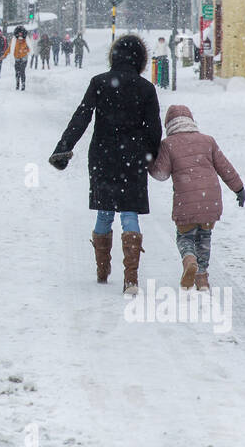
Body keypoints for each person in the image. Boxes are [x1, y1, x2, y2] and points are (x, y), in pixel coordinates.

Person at [47, 34, 161, 294]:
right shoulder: (145, 88)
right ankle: (130, 278)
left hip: (103, 155)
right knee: (130, 212)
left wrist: (63, 149)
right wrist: (151, 156)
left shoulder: (99, 82)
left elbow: (82, 117)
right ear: (141, 59)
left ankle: (102, 268)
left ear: (114, 56)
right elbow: (154, 129)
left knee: (105, 210)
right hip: (133, 157)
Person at [148, 104, 245, 291]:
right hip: (210, 199)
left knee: (185, 237)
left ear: (169, 124)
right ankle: (202, 278)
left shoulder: (168, 144)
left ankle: (189, 259)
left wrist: (149, 162)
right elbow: (225, 167)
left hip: (186, 202)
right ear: (191, 121)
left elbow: (161, 174)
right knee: (204, 237)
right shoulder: (207, 141)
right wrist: (239, 189)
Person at [12, 26, 30, 91]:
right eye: (19, 33)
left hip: (24, 58)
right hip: (17, 58)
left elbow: (29, 48)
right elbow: (10, 48)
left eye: (21, 33)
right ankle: (17, 83)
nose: (20, 34)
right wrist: (4, 55)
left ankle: (23, 84)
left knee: (22, 71)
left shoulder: (26, 40)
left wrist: (25, 50)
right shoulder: (15, 40)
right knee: (17, 72)